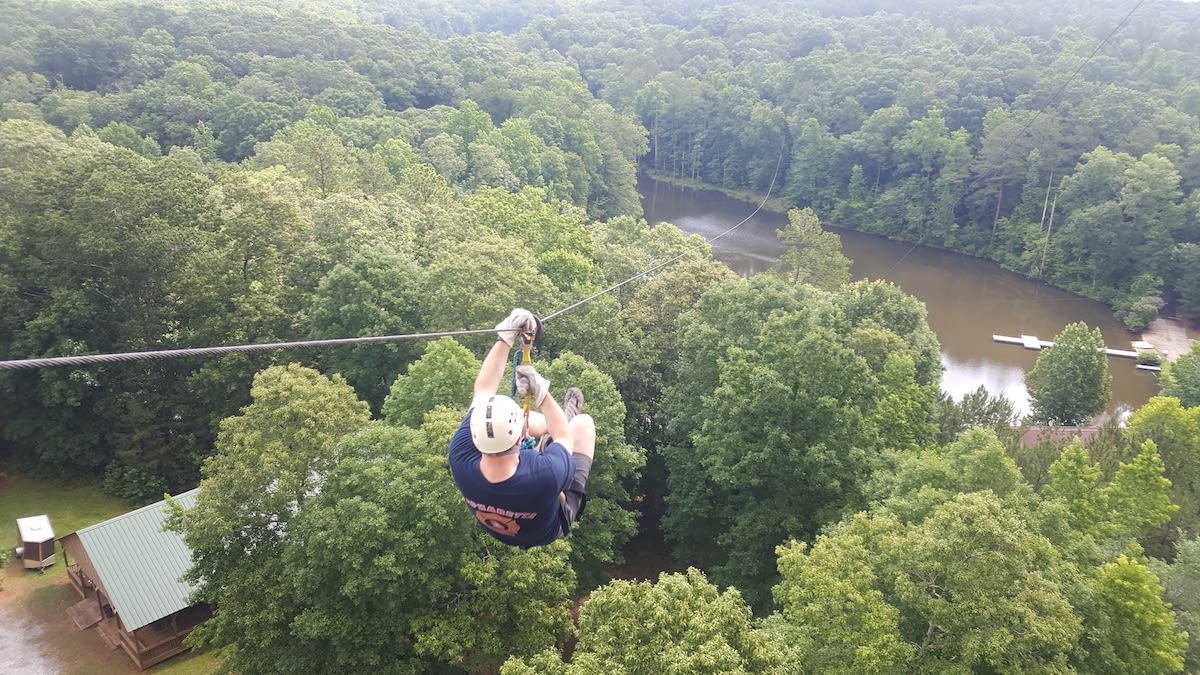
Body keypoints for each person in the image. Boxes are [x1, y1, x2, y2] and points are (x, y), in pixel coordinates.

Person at [448, 308, 596, 548]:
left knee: (555, 435)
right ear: (520, 438)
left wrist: (505, 337)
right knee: (582, 426)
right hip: (552, 524)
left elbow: (484, 391)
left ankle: (549, 430)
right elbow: (566, 439)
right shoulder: (545, 475)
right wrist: (541, 391)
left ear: (475, 435)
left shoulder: (460, 454)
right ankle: (560, 418)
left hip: (502, 525)